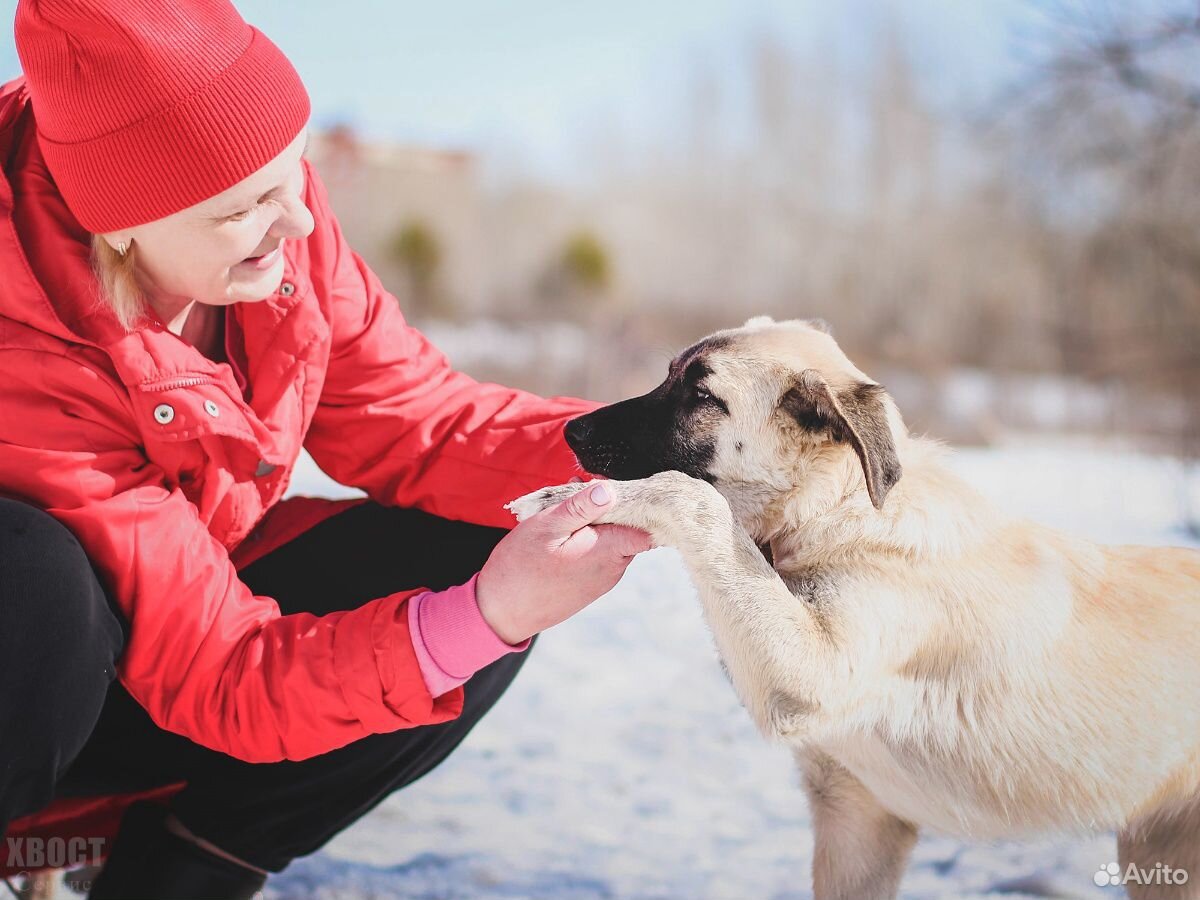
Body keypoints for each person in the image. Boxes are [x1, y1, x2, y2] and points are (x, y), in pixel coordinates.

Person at [0, 2, 652, 898]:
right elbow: (216, 669)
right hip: (48, 676)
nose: (298, 225)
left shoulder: (276, 240)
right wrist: (485, 617)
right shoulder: (23, 351)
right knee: (32, 583)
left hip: (171, 631)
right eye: (244, 208)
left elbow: (423, 420)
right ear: (117, 223)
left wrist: (653, 448)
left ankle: (176, 876)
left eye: (291, 173)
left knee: (465, 545)